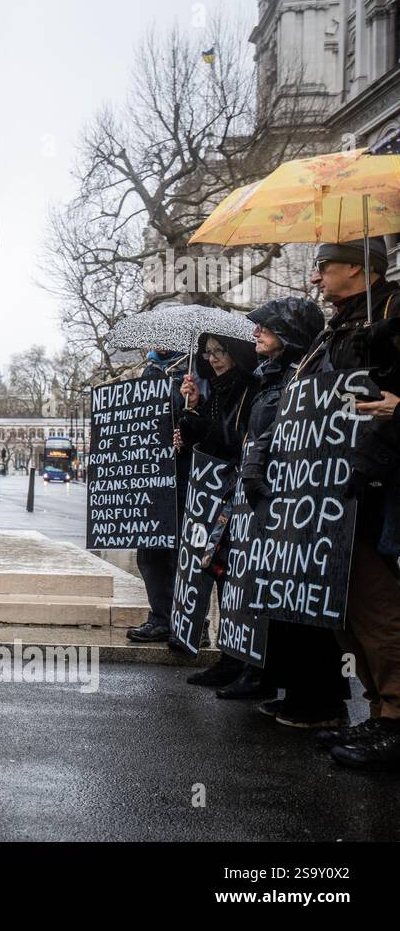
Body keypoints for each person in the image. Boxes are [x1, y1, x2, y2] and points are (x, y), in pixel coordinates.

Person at [293, 239, 400, 769]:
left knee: (378, 607)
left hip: (376, 485)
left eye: (323, 268)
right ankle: (377, 715)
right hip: (329, 490)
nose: (315, 280)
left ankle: (396, 721)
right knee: (344, 609)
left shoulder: (393, 310)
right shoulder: (333, 328)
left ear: (358, 270)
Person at [227, 297, 345, 717]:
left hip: (299, 501)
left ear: (289, 333)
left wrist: (258, 459)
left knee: (302, 601)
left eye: (265, 326)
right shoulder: (271, 378)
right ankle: (296, 689)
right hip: (274, 501)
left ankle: (319, 698)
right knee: (281, 600)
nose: (256, 333)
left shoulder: (305, 377)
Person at [174, 330, 257, 684]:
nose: (213, 358)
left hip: (237, 496)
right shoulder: (214, 390)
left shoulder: (248, 390)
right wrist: (189, 416)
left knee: (234, 576)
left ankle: (239, 660)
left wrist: (201, 425)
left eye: (219, 351)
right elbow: (206, 439)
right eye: (208, 352)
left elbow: (236, 441)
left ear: (236, 352)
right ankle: (229, 657)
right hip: (216, 497)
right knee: (220, 570)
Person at [127, 351, 189, 643]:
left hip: (182, 476)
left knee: (180, 555)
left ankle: (190, 623)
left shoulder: (194, 371)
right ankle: (160, 618)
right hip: (149, 477)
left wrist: (185, 397)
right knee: (150, 554)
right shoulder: (150, 371)